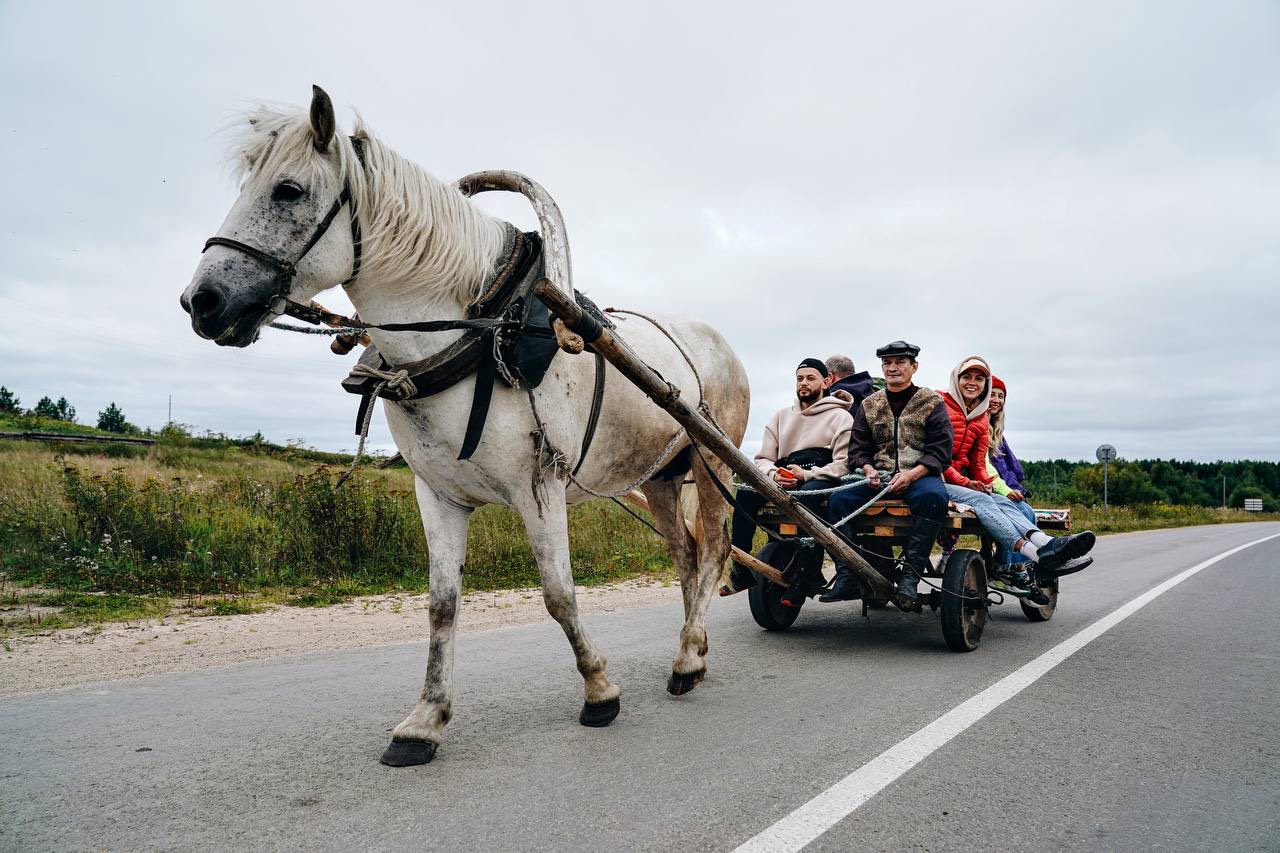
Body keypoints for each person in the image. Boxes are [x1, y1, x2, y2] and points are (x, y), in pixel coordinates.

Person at [939, 356, 1096, 600]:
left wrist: (986, 484)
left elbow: (980, 465)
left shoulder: (980, 418)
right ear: (955, 379)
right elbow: (937, 458)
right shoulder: (940, 405)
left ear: (986, 384)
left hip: (962, 482)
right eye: (966, 377)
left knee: (1002, 502)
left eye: (979, 378)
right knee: (985, 501)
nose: (972, 383)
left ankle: (1046, 544)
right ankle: (1035, 556)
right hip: (939, 479)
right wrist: (969, 483)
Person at [824, 341, 953, 607]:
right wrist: (868, 469)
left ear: (913, 367)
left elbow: (940, 450)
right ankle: (848, 572)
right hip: (878, 476)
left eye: (900, 362)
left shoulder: (931, 402)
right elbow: (858, 449)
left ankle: (910, 576)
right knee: (838, 501)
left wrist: (912, 474)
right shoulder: (869, 405)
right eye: (887, 363)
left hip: (920, 475)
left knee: (934, 498)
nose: (892, 368)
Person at [721, 358, 856, 600]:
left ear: (827, 381)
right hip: (783, 475)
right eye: (800, 378)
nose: (804, 383)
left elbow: (842, 465)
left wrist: (806, 474)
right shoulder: (780, 417)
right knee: (745, 495)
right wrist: (774, 475)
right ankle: (740, 570)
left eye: (810, 378)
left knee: (808, 498)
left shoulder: (841, 417)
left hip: (819, 476)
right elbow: (762, 459)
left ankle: (807, 573)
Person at [986, 375, 1092, 577]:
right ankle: (1015, 568)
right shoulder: (979, 425)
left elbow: (1010, 469)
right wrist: (1007, 490)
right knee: (1023, 511)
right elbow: (986, 468)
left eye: (1001, 396)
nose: (996, 400)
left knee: (1025, 509)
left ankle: (1047, 557)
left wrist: (1016, 489)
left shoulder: (997, 432)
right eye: (991, 394)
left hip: (1000, 488)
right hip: (988, 488)